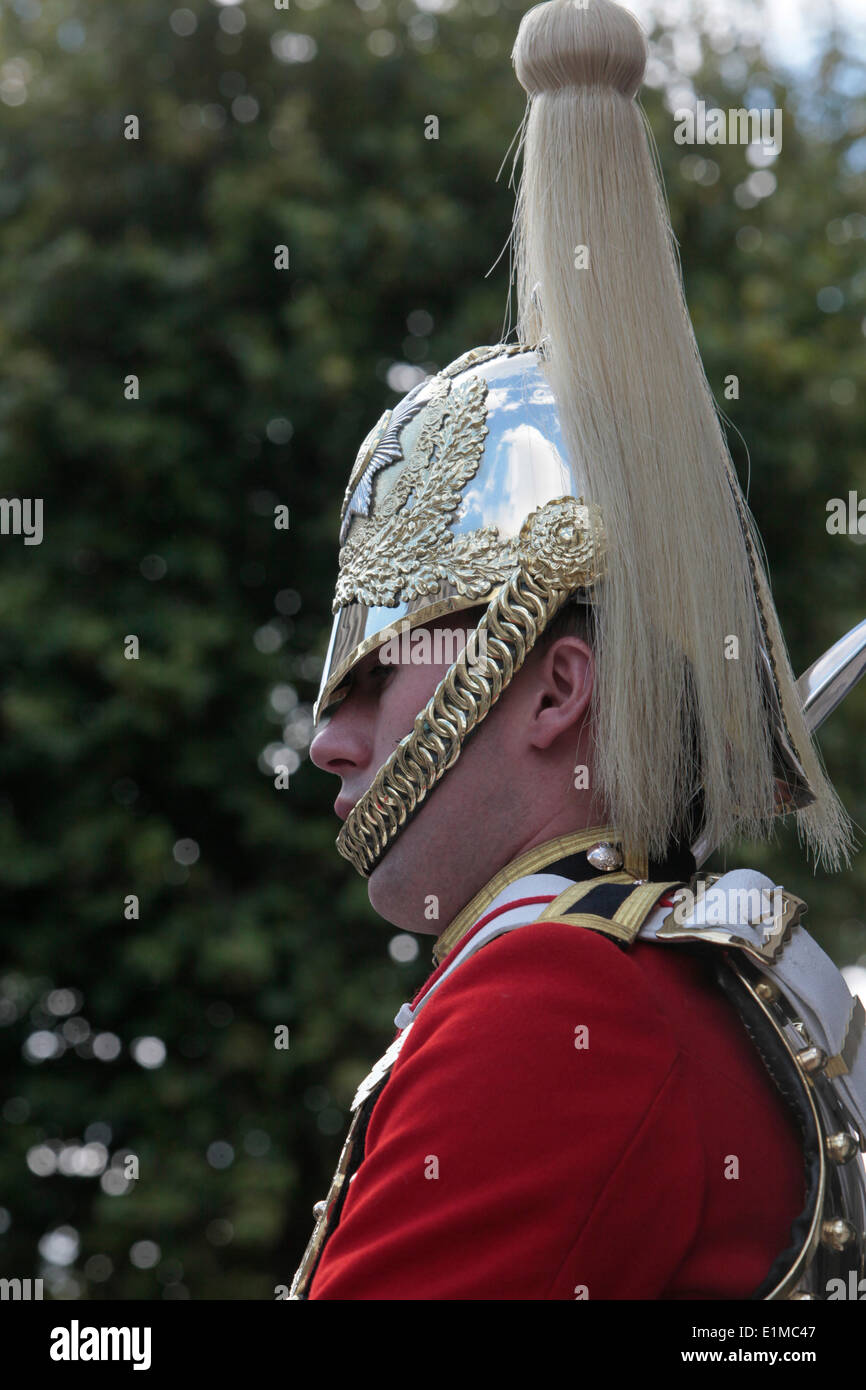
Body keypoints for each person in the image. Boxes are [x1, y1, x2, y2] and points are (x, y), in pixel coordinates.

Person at [290, 0, 866, 1300]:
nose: (329, 733)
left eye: (379, 671)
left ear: (554, 687)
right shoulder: (664, 984)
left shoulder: (557, 1000)